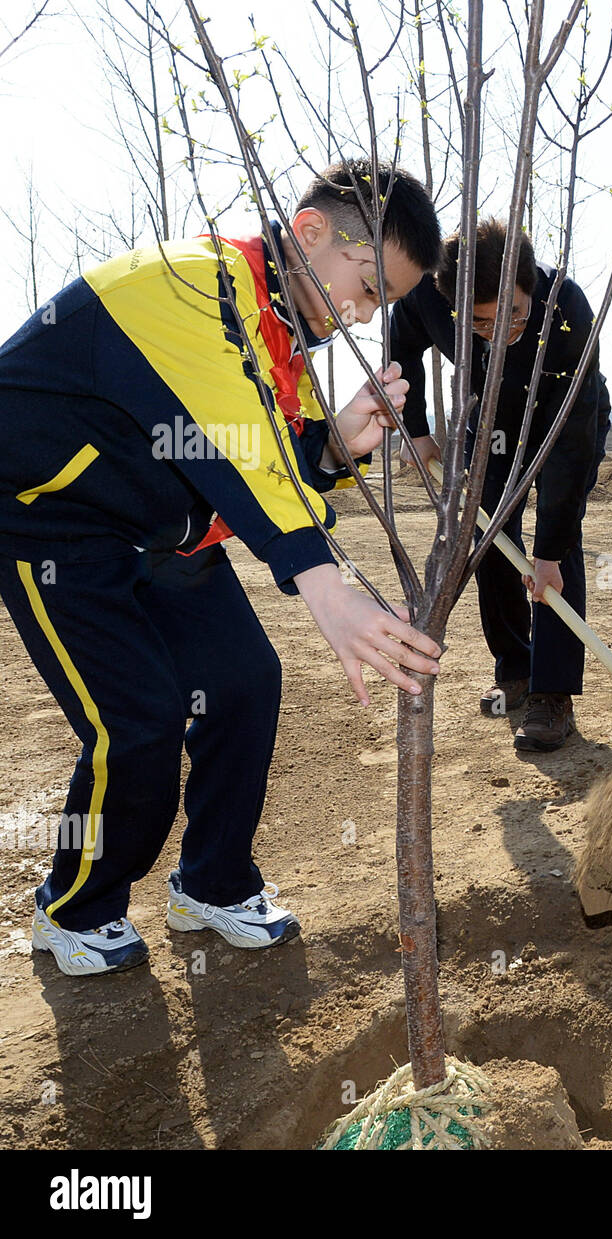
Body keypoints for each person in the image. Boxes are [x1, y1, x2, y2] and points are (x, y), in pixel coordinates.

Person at [0, 159, 444, 976]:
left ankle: (212, 881)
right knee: (135, 721)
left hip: (166, 534)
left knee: (244, 682)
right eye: (368, 286)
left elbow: (279, 451)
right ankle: (74, 907)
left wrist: (338, 442)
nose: (362, 314)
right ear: (310, 232)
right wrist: (320, 577)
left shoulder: (279, 333)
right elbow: (233, 447)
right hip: (53, 523)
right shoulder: (190, 285)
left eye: (382, 303)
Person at [391, 219, 611, 753]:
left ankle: (552, 691)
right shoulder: (431, 293)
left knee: (553, 555)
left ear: (529, 285)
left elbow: (573, 442)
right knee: (490, 538)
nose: (502, 330)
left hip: (563, 418)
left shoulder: (566, 310)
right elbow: (402, 346)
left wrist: (551, 551)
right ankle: (515, 669)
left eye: (512, 313)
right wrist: (416, 429)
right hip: (489, 424)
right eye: (482, 323)